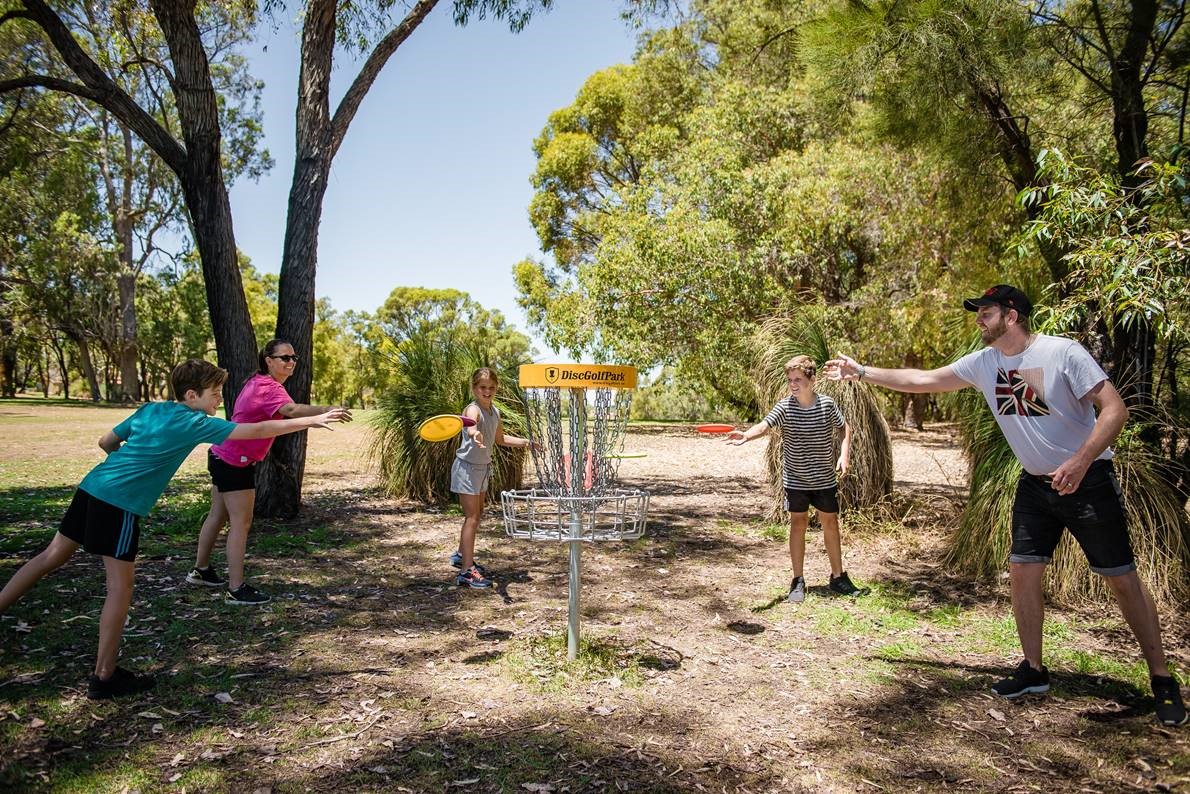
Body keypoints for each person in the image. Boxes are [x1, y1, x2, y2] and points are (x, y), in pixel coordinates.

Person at [824, 284, 1186, 726]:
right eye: (978, 312)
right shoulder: (985, 363)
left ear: (1011, 315)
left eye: (986, 312)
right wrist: (861, 371)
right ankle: (1033, 670)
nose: (979, 319)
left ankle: (1162, 679)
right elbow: (923, 379)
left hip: (1088, 480)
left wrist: (1080, 460)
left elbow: (1115, 410)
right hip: (1035, 486)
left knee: (1121, 579)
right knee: (1022, 571)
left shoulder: (1063, 353)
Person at [0, 360, 345, 699]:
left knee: (51, 556)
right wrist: (312, 419)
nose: (219, 399)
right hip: (118, 503)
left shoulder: (152, 409)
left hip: (92, 487)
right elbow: (255, 430)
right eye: (214, 393)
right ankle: (104, 677)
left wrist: (129, 461)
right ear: (192, 395)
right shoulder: (193, 422)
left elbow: (106, 442)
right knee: (120, 588)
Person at [187, 340, 352, 605]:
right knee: (241, 523)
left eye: (294, 357)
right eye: (284, 357)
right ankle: (236, 589)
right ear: (268, 360)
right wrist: (325, 410)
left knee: (218, 515)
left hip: (221, 454)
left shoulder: (258, 382)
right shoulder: (268, 387)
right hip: (235, 461)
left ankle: (201, 570)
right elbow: (291, 410)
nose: (291, 362)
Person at [727, 355, 858, 602]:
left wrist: (844, 454)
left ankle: (838, 577)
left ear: (812, 379)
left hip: (823, 479)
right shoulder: (785, 407)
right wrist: (746, 435)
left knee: (830, 523)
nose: (793, 384)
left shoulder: (827, 405)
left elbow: (844, 427)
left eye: (798, 379)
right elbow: (764, 426)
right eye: (790, 380)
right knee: (798, 524)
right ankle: (798, 580)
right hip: (796, 480)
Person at [451, 367, 534, 589]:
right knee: (472, 517)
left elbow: (500, 439)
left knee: (477, 515)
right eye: (482, 387)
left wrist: (527, 443)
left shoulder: (494, 412)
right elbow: (471, 425)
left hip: (482, 468)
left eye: (491, 387)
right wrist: (474, 433)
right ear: (474, 388)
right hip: (467, 468)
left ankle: (461, 555)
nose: (487, 391)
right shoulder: (473, 409)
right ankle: (466, 573)